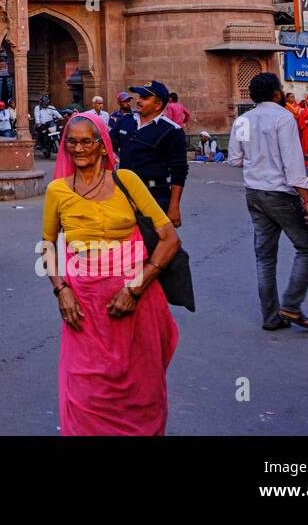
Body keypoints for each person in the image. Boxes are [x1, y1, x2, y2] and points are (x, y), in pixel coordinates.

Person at [42, 112, 180, 435]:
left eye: (86, 141)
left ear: (102, 146)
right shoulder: (58, 191)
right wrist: (60, 290)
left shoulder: (126, 181)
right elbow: (47, 243)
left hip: (135, 299)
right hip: (83, 306)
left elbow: (169, 238)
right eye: (71, 142)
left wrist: (134, 289)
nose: (78, 149)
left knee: (139, 388)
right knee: (85, 390)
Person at [228, 71, 308, 331]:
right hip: (280, 193)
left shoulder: (243, 120)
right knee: (307, 248)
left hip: (254, 193)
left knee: (264, 258)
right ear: (277, 94)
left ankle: (271, 317)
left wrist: (257, 161)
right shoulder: (284, 118)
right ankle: (291, 305)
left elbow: (234, 159)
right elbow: (293, 165)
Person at [113, 81, 188, 228]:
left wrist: (174, 207)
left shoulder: (172, 131)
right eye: (139, 96)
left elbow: (179, 171)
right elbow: (108, 146)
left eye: (145, 98)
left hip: (155, 195)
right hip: (123, 195)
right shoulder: (126, 121)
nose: (139, 100)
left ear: (158, 104)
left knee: (154, 244)